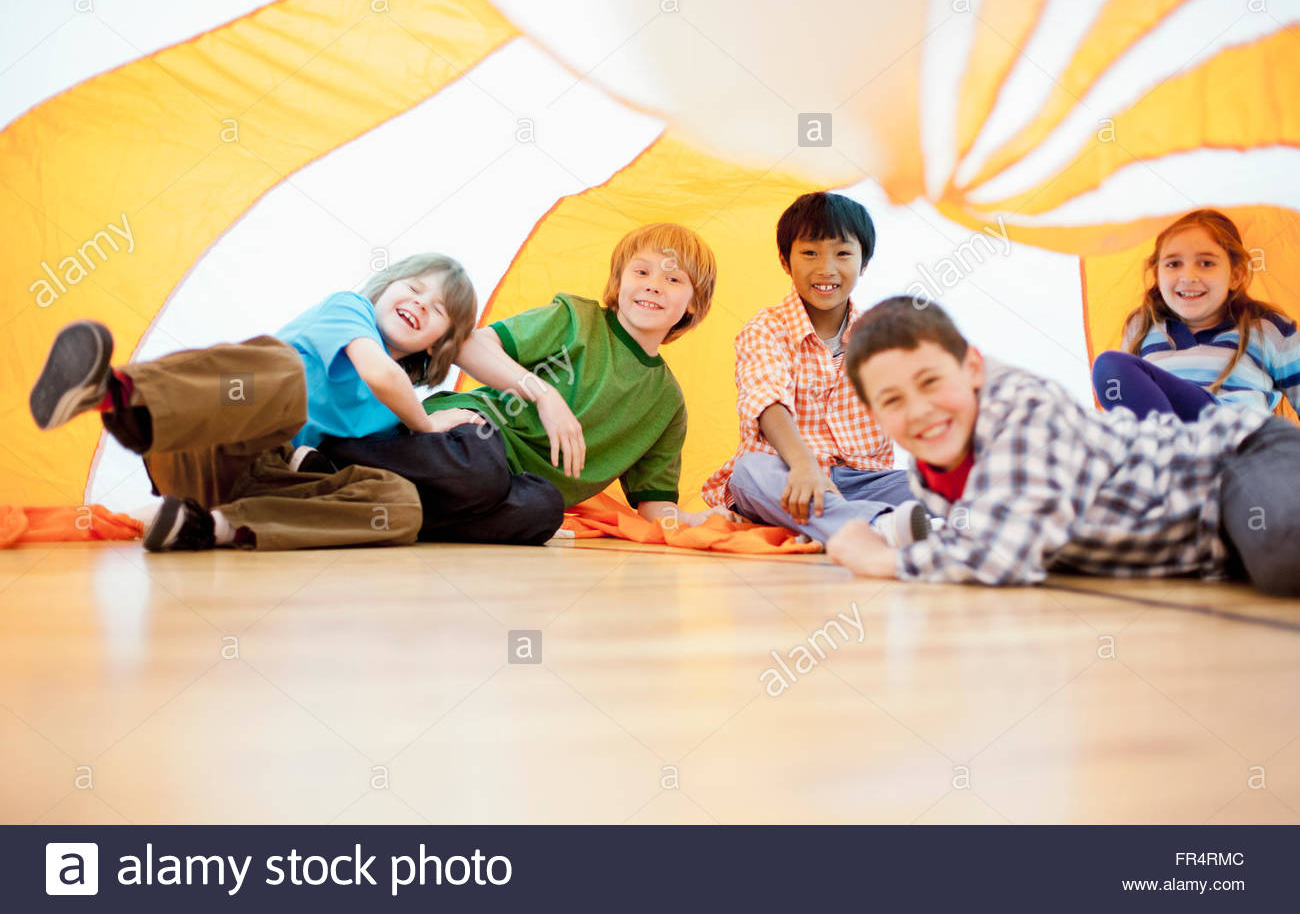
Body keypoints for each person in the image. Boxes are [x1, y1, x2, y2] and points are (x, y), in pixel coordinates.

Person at [825, 296, 1300, 596]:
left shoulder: (1023, 410)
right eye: (892, 400)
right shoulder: (925, 475)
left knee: (1282, 550)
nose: (921, 410)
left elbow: (1001, 555)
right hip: (1211, 543)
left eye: (931, 381)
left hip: (1234, 461)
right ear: (874, 414)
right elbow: (990, 534)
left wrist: (882, 558)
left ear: (972, 367)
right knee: (1265, 556)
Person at [28, 253, 482, 551]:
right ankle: (119, 397)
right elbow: (378, 372)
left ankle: (210, 527)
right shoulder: (348, 310)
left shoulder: (396, 410)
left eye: (438, 309)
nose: (420, 304)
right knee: (286, 377)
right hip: (203, 441)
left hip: (255, 485)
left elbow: (347, 455)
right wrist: (426, 423)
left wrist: (529, 390)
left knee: (400, 504)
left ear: (441, 341)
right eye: (415, 288)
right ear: (386, 287)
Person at [332, 223, 720, 529]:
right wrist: (543, 393)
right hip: (473, 434)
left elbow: (656, 505)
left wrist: (688, 520)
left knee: (543, 510)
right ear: (618, 284)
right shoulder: (576, 321)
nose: (653, 284)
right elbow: (467, 345)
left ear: (693, 304)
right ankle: (334, 456)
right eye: (642, 271)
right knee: (479, 468)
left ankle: (377, 508)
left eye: (673, 280)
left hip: (508, 486)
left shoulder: (667, 404)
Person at [700, 192, 927, 546]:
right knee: (749, 472)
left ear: (864, 262)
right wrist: (805, 466)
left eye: (842, 253)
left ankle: (877, 523)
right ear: (785, 260)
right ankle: (875, 530)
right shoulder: (766, 329)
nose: (826, 268)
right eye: (810, 253)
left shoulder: (881, 336)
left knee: (931, 485)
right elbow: (767, 402)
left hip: (866, 481)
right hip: (789, 475)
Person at [1092, 209, 1300, 420]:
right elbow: (1128, 401)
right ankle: (1169, 442)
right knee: (1109, 367)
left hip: (1236, 433)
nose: (1188, 277)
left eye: (1206, 263)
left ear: (1236, 275)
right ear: (1157, 274)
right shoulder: (1142, 328)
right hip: (1171, 438)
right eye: (1173, 264)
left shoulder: (1268, 330)